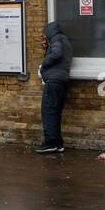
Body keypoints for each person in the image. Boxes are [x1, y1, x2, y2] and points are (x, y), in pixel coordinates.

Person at [36, 21, 73, 154]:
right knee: (55, 113)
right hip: (61, 81)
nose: (44, 37)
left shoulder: (57, 40)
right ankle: (58, 143)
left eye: (45, 34)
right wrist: (47, 49)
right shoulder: (64, 40)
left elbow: (56, 54)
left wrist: (44, 64)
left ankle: (50, 142)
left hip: (54, 82)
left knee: (48, 112)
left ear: (49, 32)